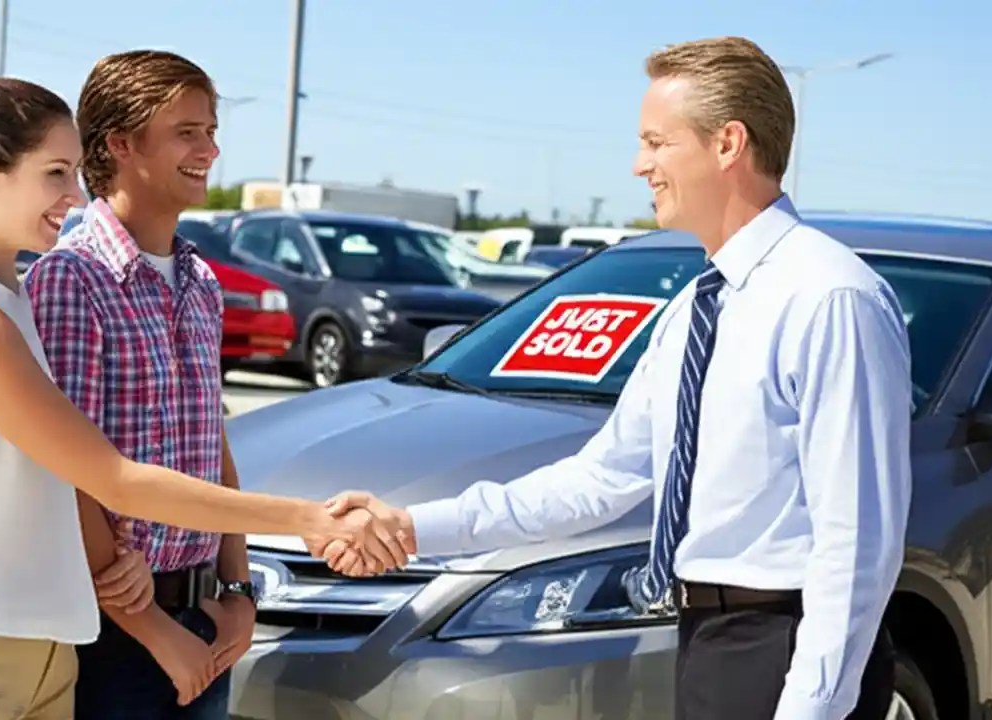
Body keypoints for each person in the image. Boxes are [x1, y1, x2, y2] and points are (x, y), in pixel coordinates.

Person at [320, 36, 913, 720]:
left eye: (657, 143)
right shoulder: (698, 307)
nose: (640, 166)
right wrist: (409, 526)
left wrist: (811, 708)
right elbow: (598, 480)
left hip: (786, 649)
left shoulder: (830, 298)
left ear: (728, 144)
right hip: (708, 643)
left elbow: (858, 544)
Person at [0, 74, 407, 720]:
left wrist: (137, 570)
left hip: (44, 647)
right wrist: (311, 520)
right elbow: (113, 476)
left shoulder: (6, 298)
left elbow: (51, 479)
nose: (74, 194)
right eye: (56, 173)